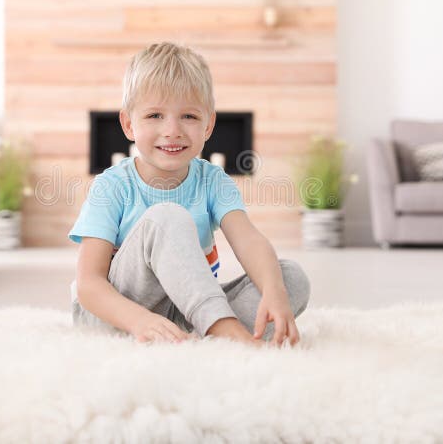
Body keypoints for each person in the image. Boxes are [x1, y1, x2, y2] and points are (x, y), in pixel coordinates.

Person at [68, 42, 310, 346]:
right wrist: (139, 320)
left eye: (189, 117)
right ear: (129, 124)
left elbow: (248, 239)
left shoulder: (212, 181)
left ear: (208, 125)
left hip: (182, 313)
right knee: (166, 216)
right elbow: (89, 285)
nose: (172, 130)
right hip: (115, 314)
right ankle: (224, 331)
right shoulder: (112, 185)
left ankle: (207, 331)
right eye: (155, 115)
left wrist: (274, 291)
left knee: (289, 277)